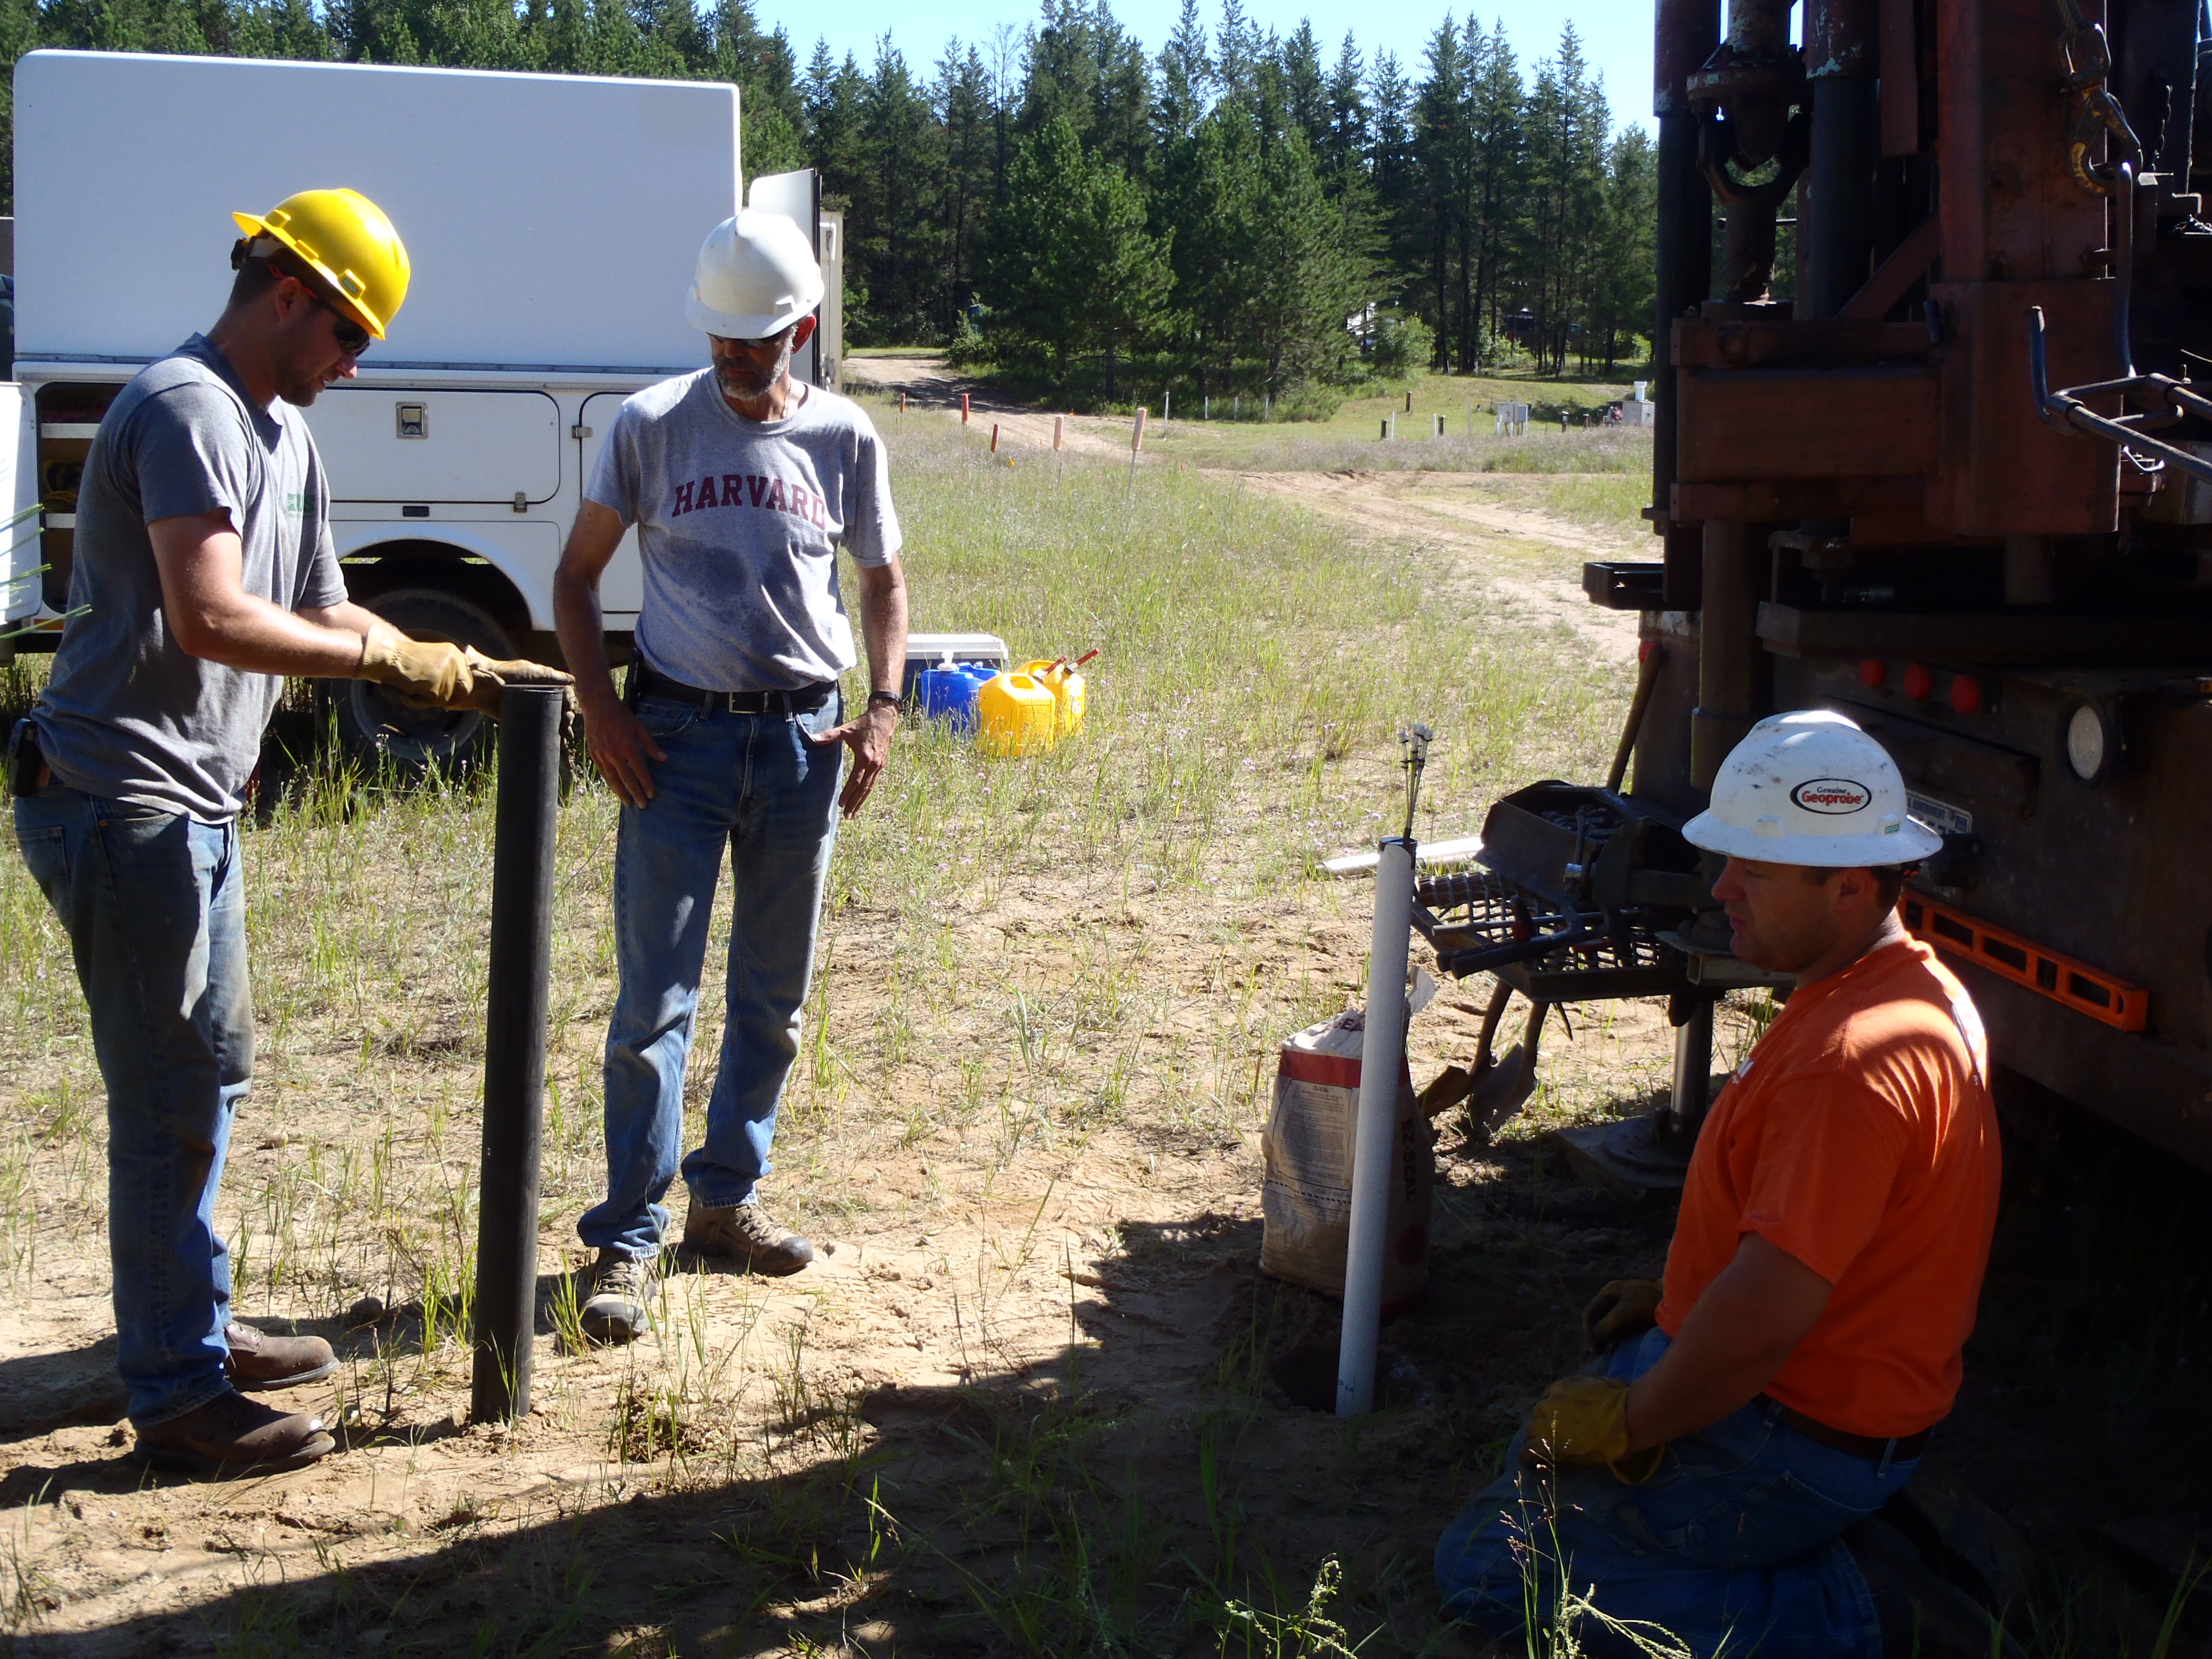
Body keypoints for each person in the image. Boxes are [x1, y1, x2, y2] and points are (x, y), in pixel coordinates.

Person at [7, 189, 571, 1476]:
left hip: (193, 805)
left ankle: (191, 1327)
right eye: (348, 333)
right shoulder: (186, 411)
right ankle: (177, 1395)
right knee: (169, 1096)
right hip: (120, 801)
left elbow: (317, 607)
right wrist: (384, 658)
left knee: (210, 1077)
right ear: (287, 295)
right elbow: (210, 615)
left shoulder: (285, 436)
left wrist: (438, 656)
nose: (354, 364)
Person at [1435, 710, 2006, 1658]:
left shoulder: (1850, 1064)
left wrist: (1635, 1421)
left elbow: (1767, 1317)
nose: (1722, 887)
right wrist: (1681, 1294)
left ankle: (1857, 1612)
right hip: (1806, 1394)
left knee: (1489, 1570)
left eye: (1755, 870)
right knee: (1529, 1465)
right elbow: (1822, 1237)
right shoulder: (1895, 986)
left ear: (1850, 885)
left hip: (1796, 1431)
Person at [552, 209, 907, 1343]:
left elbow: (883, 581)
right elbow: (573, 579)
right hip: (675, 742)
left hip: (803, 743)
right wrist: (600, 709)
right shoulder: (652, 426)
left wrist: (884, 706)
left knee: (772, 998)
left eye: (755, 343)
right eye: (720, 340)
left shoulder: (844, 436)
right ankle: (627, 1237)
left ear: (799, 329)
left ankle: (725, 1201)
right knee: (653, 1004)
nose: (735, 360)